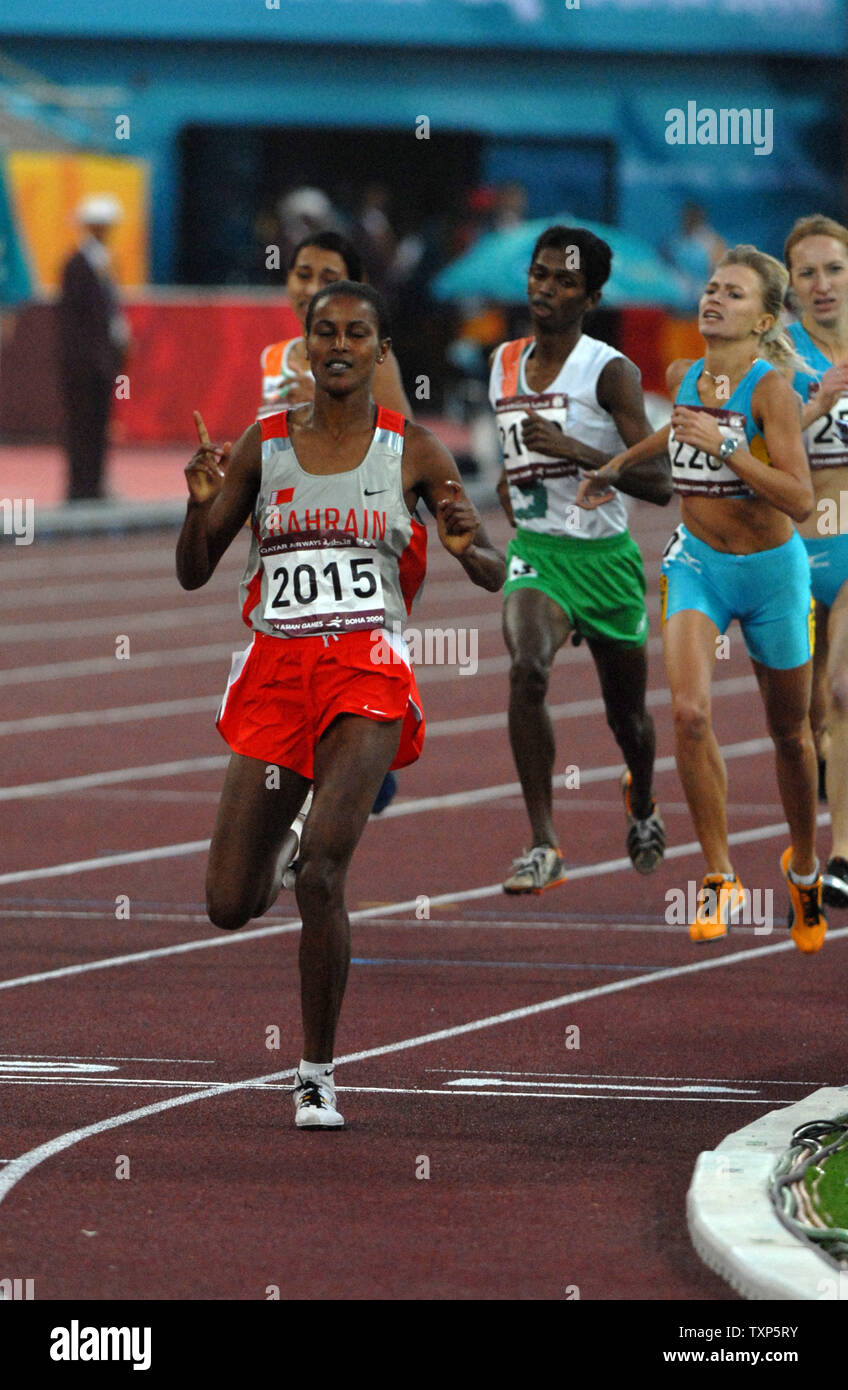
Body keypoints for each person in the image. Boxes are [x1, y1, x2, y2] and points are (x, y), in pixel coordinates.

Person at [177, 280, 504, 1128]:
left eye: (358, 333)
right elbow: (193, 566)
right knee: (226, 904)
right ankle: (281, 845)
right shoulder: (264, 443)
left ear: (380, 351)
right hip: (278, 672)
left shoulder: (415, 450)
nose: (339, 345)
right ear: (306, 345)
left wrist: (479, 556)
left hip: (368, 670)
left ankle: (316, 1073)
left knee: (326, 871)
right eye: (324, 332)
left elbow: (484, 554)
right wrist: (198, 501)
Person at [578, 245, 828, 953]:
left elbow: (802, 499)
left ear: (765, 317)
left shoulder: (771, 390)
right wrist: (621, 462)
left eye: (734, 294)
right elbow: (678, 424)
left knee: (791, 735)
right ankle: (720, 876)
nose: (714, 299)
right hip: (699, 565)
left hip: (774, 573)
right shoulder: (687, 372)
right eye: (712, 288)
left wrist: (729, 451)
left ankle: (803, 867)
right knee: (688, 713)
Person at [490, 224, 673, 895]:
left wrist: (577, 451)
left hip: (606, 562)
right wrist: (512, 486)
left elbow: (660, 485)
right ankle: (544, 843)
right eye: (540, 274)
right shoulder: (502, 362)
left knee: (628, 719)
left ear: (591, 296)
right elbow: (514, 461)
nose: (547, 288)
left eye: (565, 281)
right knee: (526, 670)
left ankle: (645, 799)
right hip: (539, 554)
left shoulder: (610, 373)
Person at [259, 231, 412, 832]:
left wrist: (326, 413)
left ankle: (340, 800)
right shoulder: (273, 358)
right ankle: (355, 781)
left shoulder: (374, 358)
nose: (310, 287)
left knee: (343, 681)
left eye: (328, 277)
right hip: (281, 559)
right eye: (302, 273)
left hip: (357, 551)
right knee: (289, 691)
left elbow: (404, 445)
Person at [784, 214, 848, 909]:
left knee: (841, 690)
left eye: (834, 269)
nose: (822, 284)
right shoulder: (778, 354)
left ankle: (842, 856)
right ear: (791, 283)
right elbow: (757, 449)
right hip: (795, 549)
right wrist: (816, 404)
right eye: (807, 272)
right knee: (800, 719)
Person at [56, 194, 130, 501]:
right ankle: (79, 487)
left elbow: (108, 312)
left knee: (99, 424)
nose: (105, 231)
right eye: (100, 226)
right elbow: (73, 320)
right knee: (80, 425)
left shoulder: (104, 262)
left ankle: (95, 484)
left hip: (103, 360)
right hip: (82, 362)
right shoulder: (76, 264)